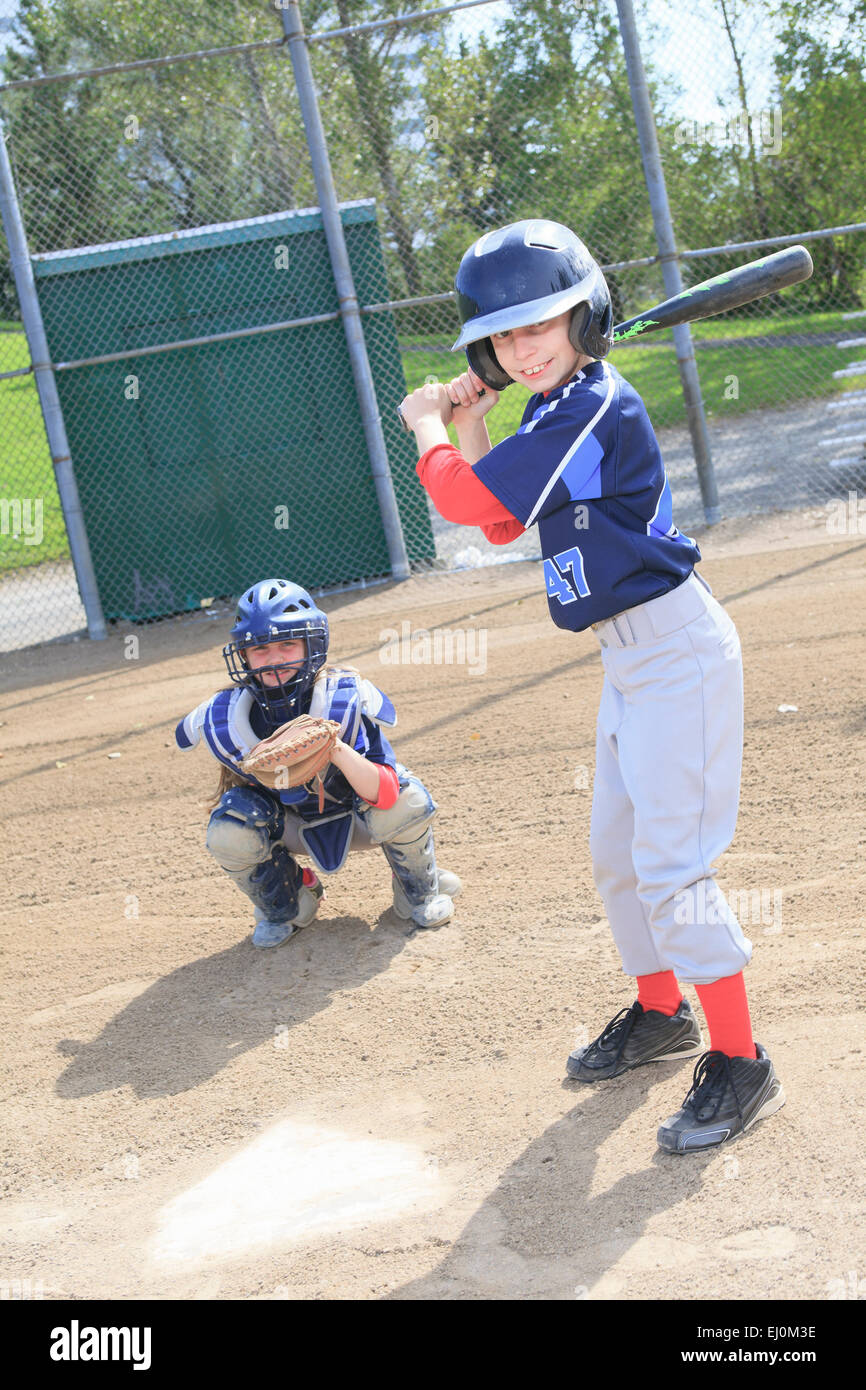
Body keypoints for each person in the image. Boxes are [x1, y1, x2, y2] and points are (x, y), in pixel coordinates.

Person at [398, 219, 784, 1153]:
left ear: (587, 317)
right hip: (629, 661)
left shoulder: (591, 408)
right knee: (617, 853)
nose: (522, 346)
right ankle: (663, 1012)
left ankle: (742, 1063)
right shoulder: (553, 409)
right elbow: (501, 526)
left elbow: (465, 503)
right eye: (504, 335)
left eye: (543, 324)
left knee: (671, 865)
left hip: (676, 655)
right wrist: (477, 416)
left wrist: (424, 429)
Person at [175, 577, 460, 948]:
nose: (273, 659)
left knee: (407, 798)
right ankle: (291, 899)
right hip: (292, 828)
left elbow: (387, 793)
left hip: (361, 818)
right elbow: (247, 804)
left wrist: (335, 749)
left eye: (287, 644)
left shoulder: (346, 697)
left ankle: (417, 885)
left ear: (313, 644)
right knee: (229, 826)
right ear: (242, 655)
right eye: (259, 649)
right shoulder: (227, 716)